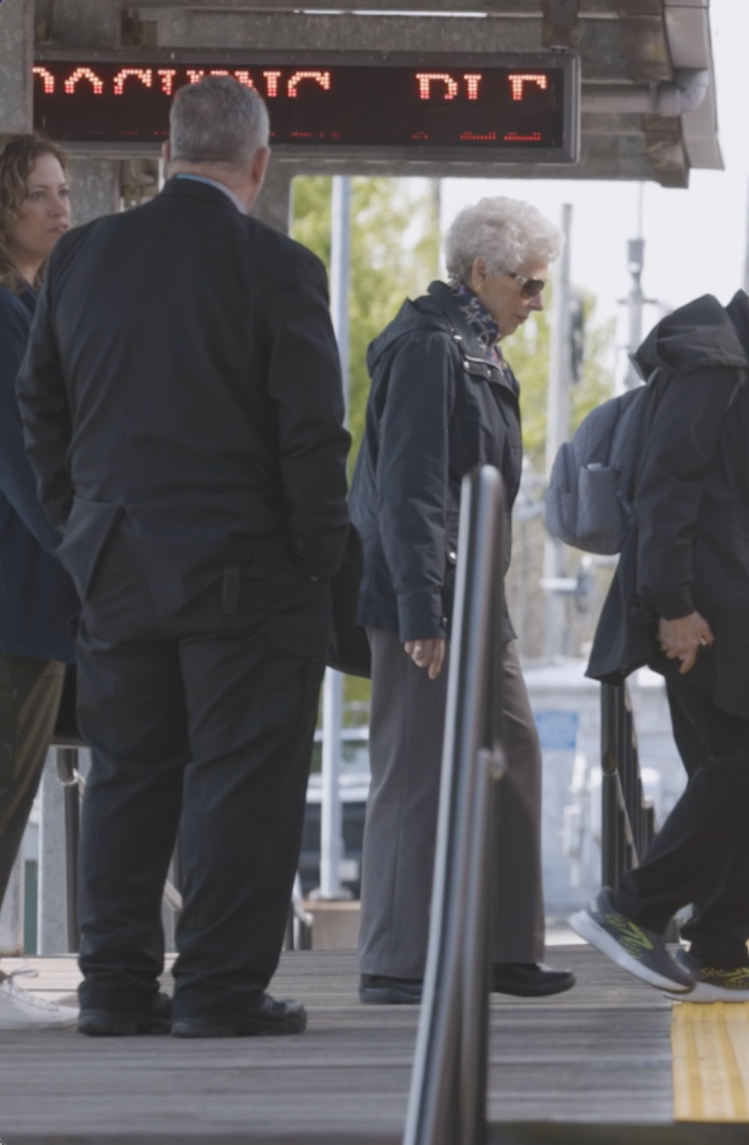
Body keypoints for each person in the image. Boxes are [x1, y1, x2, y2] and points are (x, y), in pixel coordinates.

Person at [15, 77, 351, 1038]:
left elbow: (41, 406)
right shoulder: (280, 268)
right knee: (242, 778)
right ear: (259, 162)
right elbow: (311, 434)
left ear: (166, 153)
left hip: (115, 562)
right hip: (245, 572)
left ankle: (115, 986)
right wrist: (316, 556)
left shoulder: (84, 257)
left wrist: (79, 524)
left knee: (127, 772)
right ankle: (217, 987)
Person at [573, 219, 749, 1003]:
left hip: (739, 620)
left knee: (729, 768)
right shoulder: (713, 364)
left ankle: (722, 945)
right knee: (746, 759)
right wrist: (672, 606)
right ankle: (633, 908)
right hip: (699, 618)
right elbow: (667, 489)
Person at [348, 197, 572, 1006]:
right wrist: (422, 607)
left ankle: (505, 948)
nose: (537, 301)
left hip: (476, 593)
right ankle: (395, 959)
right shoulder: (427, 347)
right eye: (528, 284)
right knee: (415, 768)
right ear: (480, 272)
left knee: (514, 753)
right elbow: (409, 487)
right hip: (427, 594)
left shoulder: (477, 349)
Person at [0, 134, 78, 1032]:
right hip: (16, 600)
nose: (62, 208)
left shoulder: (28, 304)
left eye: (63, 191)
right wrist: (85, 556)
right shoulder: (5, 316)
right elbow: (28, 467)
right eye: (40, 195)